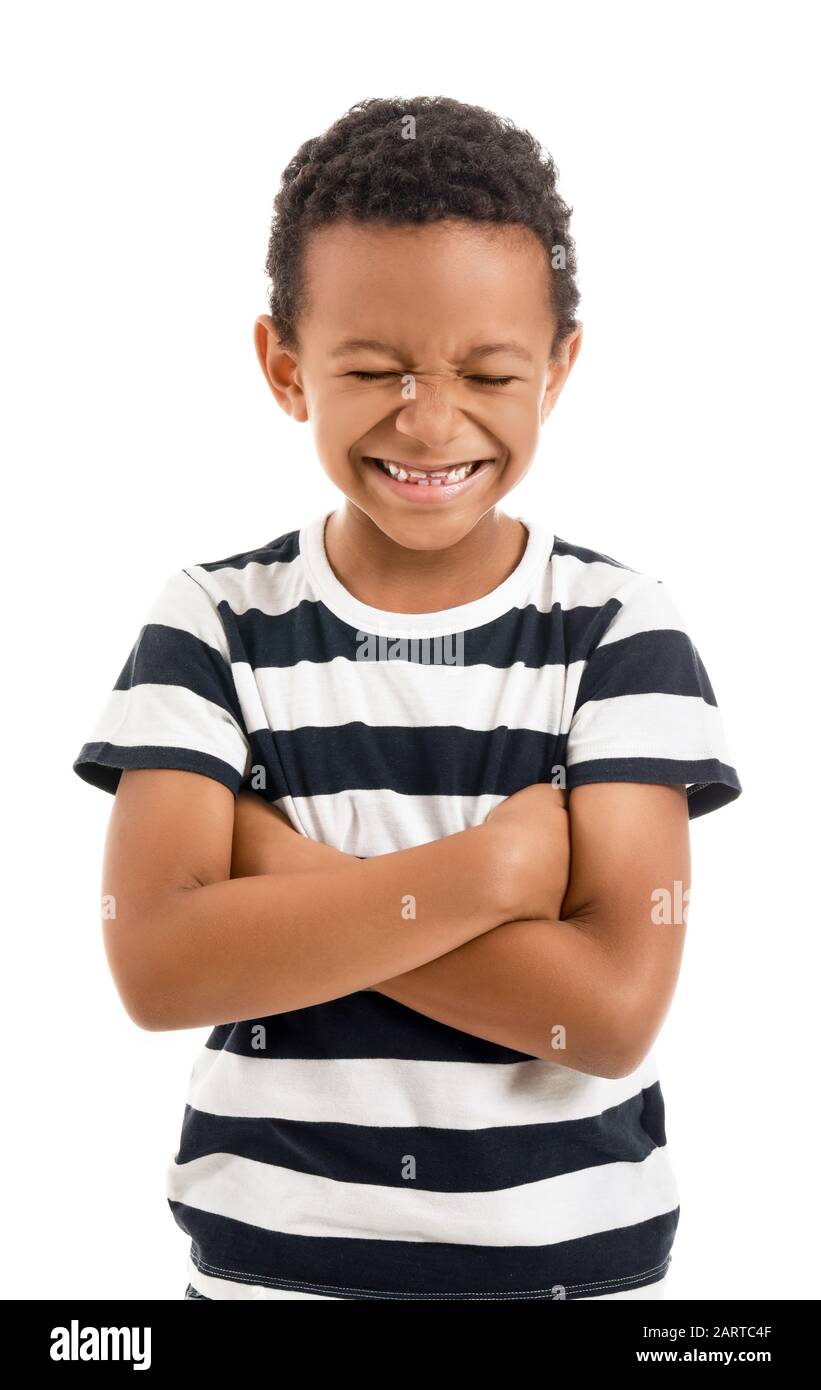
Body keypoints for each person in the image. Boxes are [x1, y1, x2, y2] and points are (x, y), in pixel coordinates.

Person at [73, 95, 742, 1301]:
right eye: (372, 369)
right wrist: (481, 879)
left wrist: (274, 883)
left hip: (567, 1276)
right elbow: (161, 972)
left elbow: (601, 1020)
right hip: (270, 1276)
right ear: (285, 367)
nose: (428, 419)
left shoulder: (618, 629)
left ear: (557, 370)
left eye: (487, 371)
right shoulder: (210, 622)